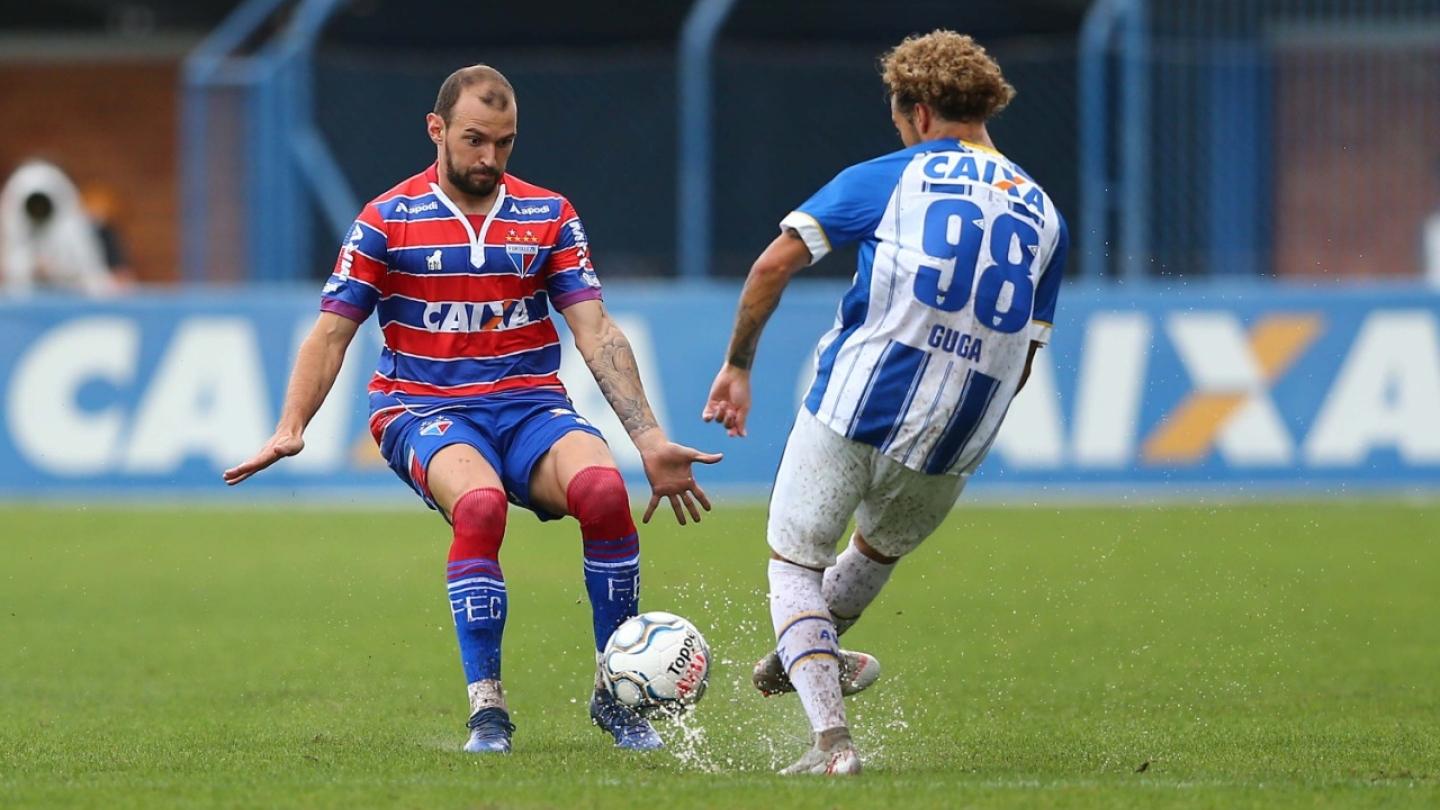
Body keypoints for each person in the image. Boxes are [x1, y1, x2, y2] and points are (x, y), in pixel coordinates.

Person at [224, 65, 720, 754]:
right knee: (481, 507)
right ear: (437, 129)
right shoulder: (385, 221)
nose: (490, 157)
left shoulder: (549, 216)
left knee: (606, 493)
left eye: (504, 142)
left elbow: (596, 330)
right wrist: (291, 426)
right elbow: (331, 333)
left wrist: (650, 438)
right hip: (422, 406)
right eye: (475, 140)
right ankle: (488, 711)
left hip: (529, 405)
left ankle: (615, 694)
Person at [703, 30, 1067, 775]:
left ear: (920, 112)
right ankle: (807, 649)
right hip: (958, 438)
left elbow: (773, 265)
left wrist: (738, 364)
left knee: (794, 564)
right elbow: (1026, 353)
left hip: (858, 406)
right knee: (874, 550)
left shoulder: (893, 176)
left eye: (900, 119)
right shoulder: (1045, 216)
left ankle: (831, 741)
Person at [0, 160, 116, 295]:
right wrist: (31, 268)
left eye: (42, 205)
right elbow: (10, 274)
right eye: (35, 205)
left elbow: (93, 276)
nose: (39, 210)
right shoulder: (14, 228)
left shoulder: (72, 230)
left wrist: (57, 270)